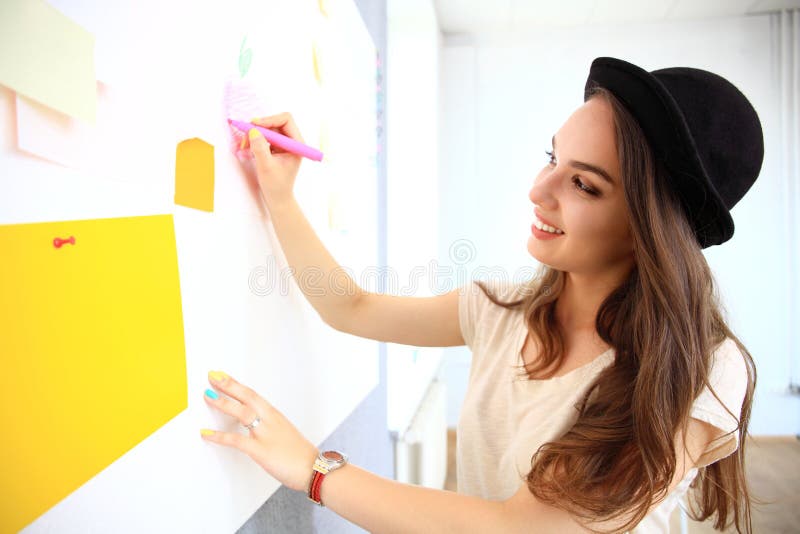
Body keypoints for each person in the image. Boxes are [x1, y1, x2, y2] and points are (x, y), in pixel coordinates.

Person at [199, 56, 763, 533]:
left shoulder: (706, 369)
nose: (538, 191)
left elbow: (516, 528)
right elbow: (349, 306)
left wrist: (311, 469)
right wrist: (280, 198)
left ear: (651, 228)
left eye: (584, 184)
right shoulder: (501, 308)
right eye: (552, 159)